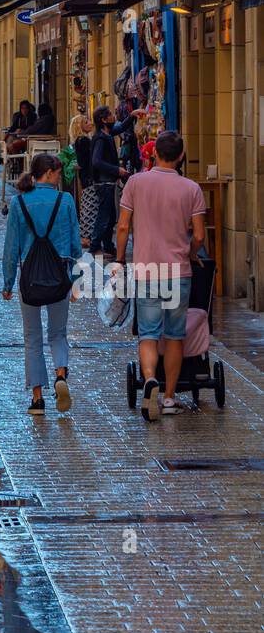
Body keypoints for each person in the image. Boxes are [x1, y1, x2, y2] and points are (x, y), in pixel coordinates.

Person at [115, 131, 207, 421]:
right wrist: (191, 252)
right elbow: (200, 235)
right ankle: (168, 398)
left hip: (146, 269)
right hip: (177, 270)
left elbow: (122, 227)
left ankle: (150, 378)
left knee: (148, 333)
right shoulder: (191, 189)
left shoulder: (135, 183)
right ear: (181, 156)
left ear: (154, 154)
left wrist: (119, 259)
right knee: (175, 335)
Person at [2, 152, 82, 415]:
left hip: (30, 279)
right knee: (58, 333)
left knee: (32, 338)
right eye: (58, 173)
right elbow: (74, 245)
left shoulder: (18, 203)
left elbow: (11, 247)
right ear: (48, 173)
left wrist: (8, 282)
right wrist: (76, 280)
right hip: (59, 276)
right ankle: (60, 374)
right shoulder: (66, 200)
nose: (60, 178)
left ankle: (37, 399)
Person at [90, 104, 145, 257]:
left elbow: (120, 128)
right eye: (110, 115)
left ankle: (107, 246)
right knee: (105, 215)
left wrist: (132, 115)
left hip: (107, 182)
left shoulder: (107, 133)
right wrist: (116, 170)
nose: (113, 117)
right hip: (104, 182)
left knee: (110, 215)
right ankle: (94, 247)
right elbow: (96, 161)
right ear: (103, 119)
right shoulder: (101, 138)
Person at [69, 113, 97, 250]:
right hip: (89, 177)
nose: (90, 123)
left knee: (87, 204)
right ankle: (85, 237)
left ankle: (85, 236)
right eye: (87, 122)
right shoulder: (84, 141)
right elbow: (84, 162)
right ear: (80, 126)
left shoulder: (78, 141)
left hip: (85, 177)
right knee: (90, 206)